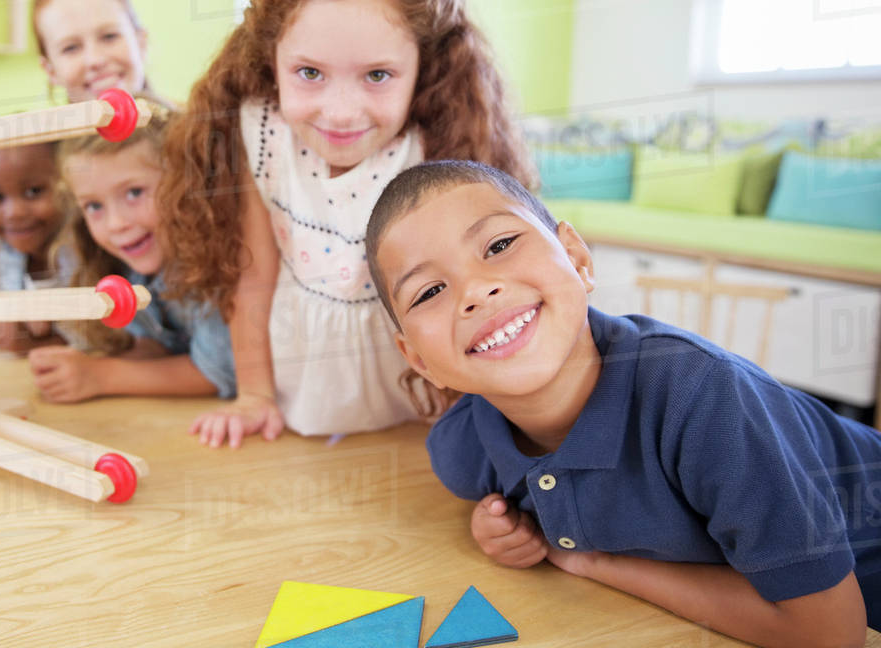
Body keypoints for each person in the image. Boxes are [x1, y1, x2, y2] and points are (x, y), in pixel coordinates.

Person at [363, 158, 880, 646]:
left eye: (499, 245)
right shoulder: (461, 452)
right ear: (418, 358)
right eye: (429, 291)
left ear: (577, 259)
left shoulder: (704, 397)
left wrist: (594, 563)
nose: (476, 290)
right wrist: (495, 525)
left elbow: (829, 631)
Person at [156, 0, 535, 448]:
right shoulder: (259, 131)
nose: (339, 112)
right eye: (309, 73)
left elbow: (467, 298)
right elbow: (252, 275)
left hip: (421, 408)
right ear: (271, 58)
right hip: (293, 398)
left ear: (422, 69)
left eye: (377, 76)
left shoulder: (439, 150)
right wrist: (255, 395)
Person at [27, 109, 237, 403]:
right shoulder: (135, 272)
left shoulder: (218, 266)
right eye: (94, 206)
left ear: (186, 183)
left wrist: (101, 375)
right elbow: (155, 347)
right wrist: (81, 363)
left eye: (134, 192)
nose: (116, 223)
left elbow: (217, 372)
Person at [0, 142, 71, 354]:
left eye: (33, 191)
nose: (14, 212)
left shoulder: (80, 239)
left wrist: (48, 339)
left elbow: (106, 333)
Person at [33, 0, 154, 105]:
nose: (95, 60)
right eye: (71, 48)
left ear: (141, 43)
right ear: (51, 71)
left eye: (109, 36)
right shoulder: (28, 127)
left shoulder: (184, 124)